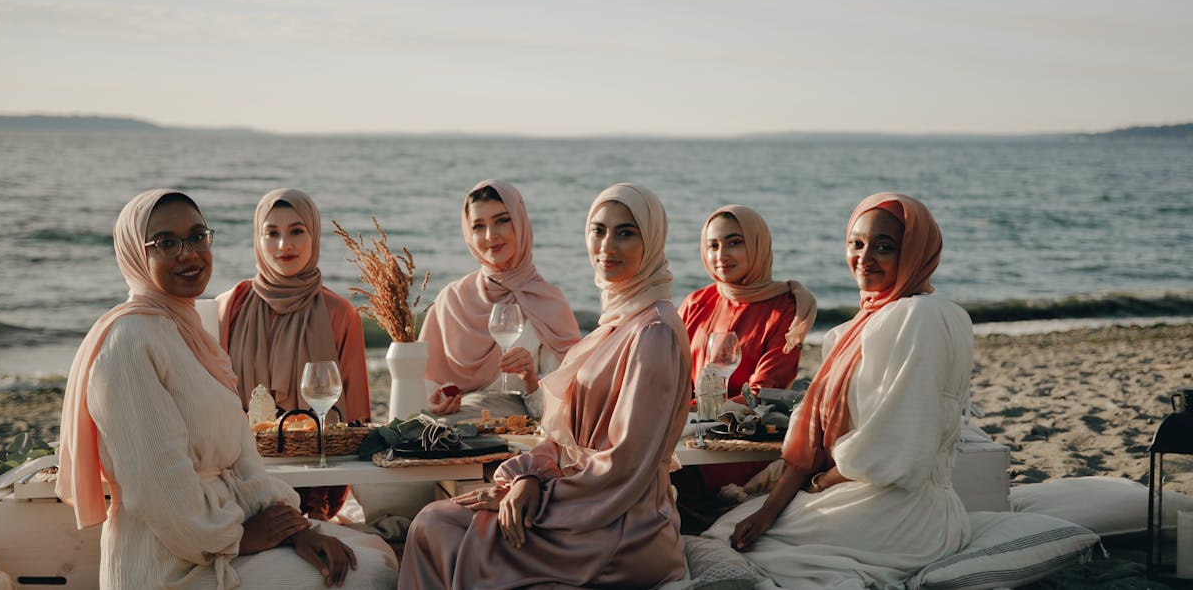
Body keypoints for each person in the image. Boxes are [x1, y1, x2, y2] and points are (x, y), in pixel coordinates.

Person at [57, 189, 396, 589]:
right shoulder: (130, 342)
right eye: (167, 242)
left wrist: (292, 528)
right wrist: (238, 537)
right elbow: (159, 489)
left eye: (198, 236)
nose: (189, 253)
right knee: (367, 575)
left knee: (378, 554)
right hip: (173, 562)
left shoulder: (189, 335)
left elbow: (243, 459)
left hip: (225, 532)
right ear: (135, 254)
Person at [398, 183, 692, 589]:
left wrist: (540, 496)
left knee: (440, 527)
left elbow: (626, 466)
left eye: (626, 232)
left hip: (618, 524)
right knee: (436, 522)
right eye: (598, 230)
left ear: (653, 239)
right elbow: (568, 431)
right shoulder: (620, 321)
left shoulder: (654, 332)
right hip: (584, 497)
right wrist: (528, 476)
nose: (607, 245)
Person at [702, 192, 973, 589]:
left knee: (744, 553)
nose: (865, 257)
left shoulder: (922, 317)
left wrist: (818, 487)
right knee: (729, 531)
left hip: (901, 508)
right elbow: (813, 441)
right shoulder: (852, 330)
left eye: (885, 247)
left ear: (916, 252)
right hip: (852, 487)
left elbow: (895, 449)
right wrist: (772, 509)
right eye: (857, 243)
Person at [217, 188, 371, 520]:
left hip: (314, 480)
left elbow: (356, 416)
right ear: (257, 240)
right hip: (241, 472)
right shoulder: (231, 306)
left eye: (297, 231)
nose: (284, 245)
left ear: (314, 235)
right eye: (271, 233)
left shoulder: (339, 313)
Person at [673, 205, 818, 529]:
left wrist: (687, 412)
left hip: (739, 443)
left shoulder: (784, 310)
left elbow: (762, 394)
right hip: (686, 433)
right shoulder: (698, 302)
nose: (721, 254)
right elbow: (670, 373)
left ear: (757, 245)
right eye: (713, 245)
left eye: (734, 242)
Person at [418, 179, 581, 423]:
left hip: (519, 442)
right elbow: (425, 392)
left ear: (520, 224)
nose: (490, 235)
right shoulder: (451, 300)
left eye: (502, 221)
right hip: (452, 436)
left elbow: (563, 410)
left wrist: (529, 380)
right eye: (478, 226)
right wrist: (438, 400)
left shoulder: (548, 304)